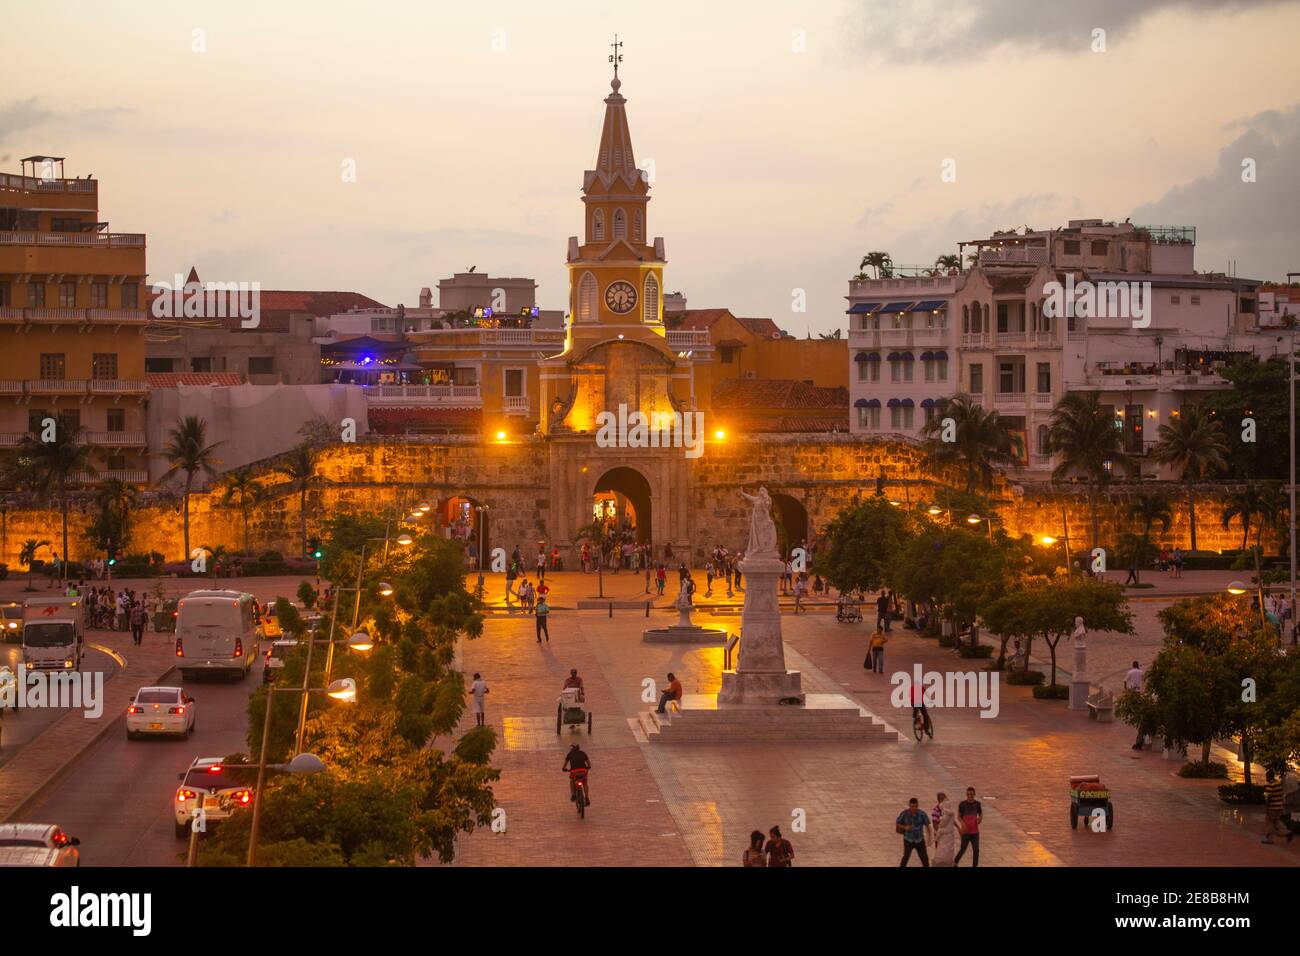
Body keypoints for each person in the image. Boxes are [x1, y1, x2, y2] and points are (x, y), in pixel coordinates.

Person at [897, 797, 931, 866]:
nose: (914, 808)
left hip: (919, 840)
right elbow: (898, 823)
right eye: (912, 806)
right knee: (906, 857)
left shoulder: (922, 814)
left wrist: (929, 838)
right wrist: (904, 827)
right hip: (908, 839)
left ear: (917, 806)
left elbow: (927, 826)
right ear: (909, 806)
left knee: (924, 858)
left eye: (915, 806)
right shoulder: (904, 813)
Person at [955, 787, 982, 866]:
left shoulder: (977, 804)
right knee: (963, 849)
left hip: (975, 832)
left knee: (976, 850)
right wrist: (962, 823)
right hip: (966, 832)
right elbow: (958, 816)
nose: (970, 796)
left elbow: (980, 813)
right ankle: (955, 862)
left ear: (974, 794)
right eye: (968, 794)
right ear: (966, 794)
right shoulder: (962, 804)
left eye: (971, 794)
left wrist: (980, 819)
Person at [931, 793, 958, 867]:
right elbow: (935, 824)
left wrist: (958, 827)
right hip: (941, 836)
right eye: (944, 800)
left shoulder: (947, 810)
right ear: (939, 800)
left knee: (947, 854)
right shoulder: (936, 810)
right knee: (941, 854)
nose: (946, 801)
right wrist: (938, 834)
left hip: (947, 836)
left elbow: (951, 821)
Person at [1125, 661, 1146, 750]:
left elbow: (1125, 680)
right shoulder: (1141, 672)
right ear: (1138, 665)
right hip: (1138, 689)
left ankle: (1132, 712)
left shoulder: (1130, 672)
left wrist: (1125, 687)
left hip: (1132, 689)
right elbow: (1144, 679)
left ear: (1133, 665)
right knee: (1137, 701)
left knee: (1132, 702)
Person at [1263, 769, 1286, 844]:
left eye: (1266, 776)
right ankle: (1286, 832)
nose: (1265, 778)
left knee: (1269, 822)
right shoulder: (1278, 783)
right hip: (1279, 806)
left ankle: (1270, 839)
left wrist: (1266, 807)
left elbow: (1269, 797)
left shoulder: (1270, 785)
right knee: (1277, 822)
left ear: (1269, 776)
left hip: (1272, 807)